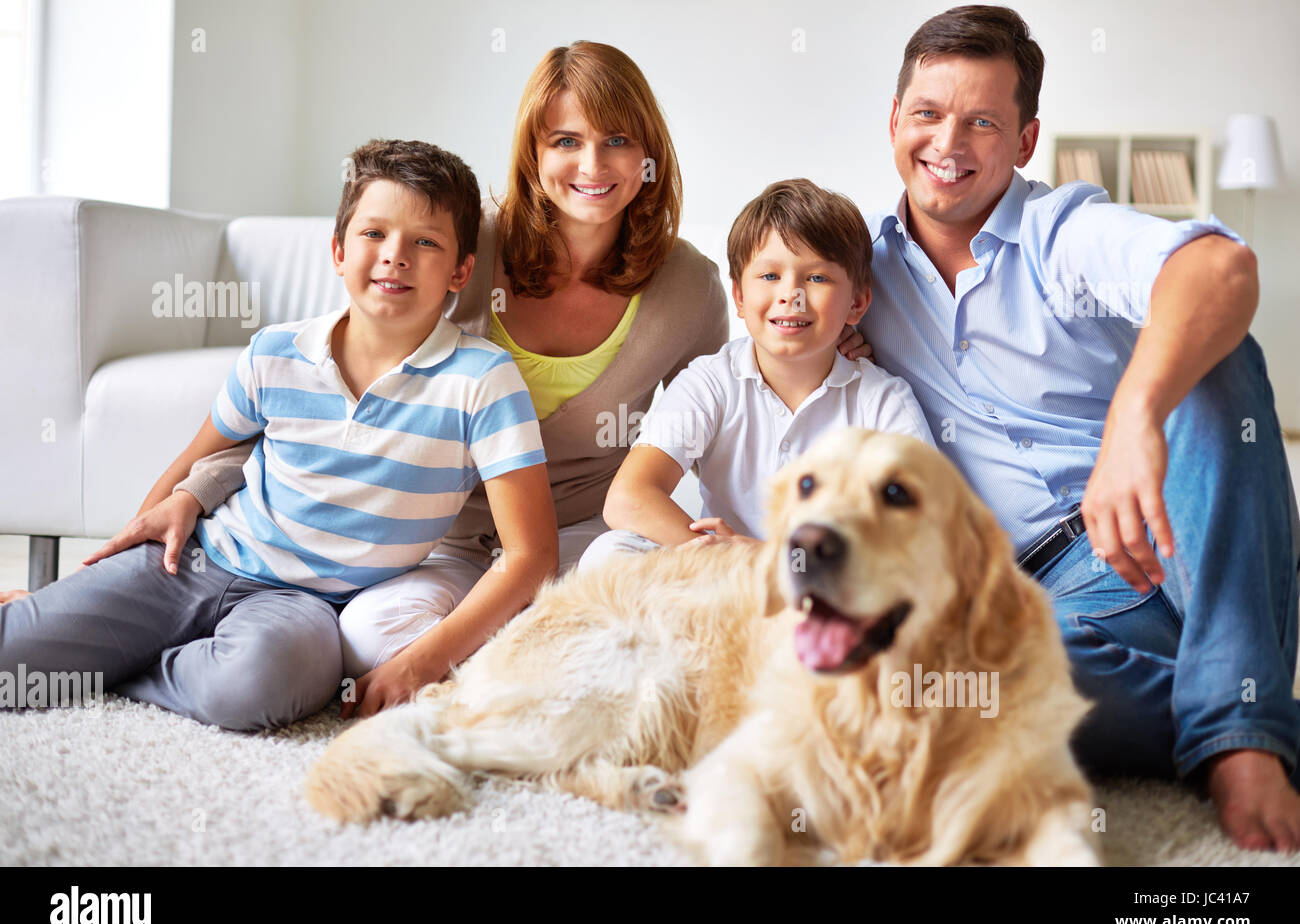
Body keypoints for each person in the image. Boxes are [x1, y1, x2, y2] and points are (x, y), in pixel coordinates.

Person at [75, 41, 873, 719]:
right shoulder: (463, 248)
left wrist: (838, 345)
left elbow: (730, 397)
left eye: (616, 141)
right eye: (564, 140)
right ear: (533, 152)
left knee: (620, 628)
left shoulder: (690, 288)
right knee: (368, 640)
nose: (590, 166)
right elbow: (327, 386)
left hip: (579, 536)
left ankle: (527, 675)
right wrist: (197, 488)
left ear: (648, 157)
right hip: (445, 537)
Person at [860, 4, 1300, 851]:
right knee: (952, 677)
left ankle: (1242, 742)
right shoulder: (862, 274)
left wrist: (1134, 420)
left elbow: (1222, 266)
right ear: (895, 121)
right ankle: (1239, 704)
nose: (948, 141)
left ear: (1024, 141)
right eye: (928, 113)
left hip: (1169, 533)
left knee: (1218, 355)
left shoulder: (1062, 230)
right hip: (1044, 605)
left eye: (982, 121)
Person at [0, 139, 556, 731]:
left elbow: (531, 555)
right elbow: (196, 460)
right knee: (15, 663)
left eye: (425, 242)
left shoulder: (483, 380)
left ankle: (128, 669)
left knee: (260, 685)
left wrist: (421, 663)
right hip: (194, 560)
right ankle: (66, 628)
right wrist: (134, 544)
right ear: (339, 251)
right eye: (374, 234)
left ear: (460, 271)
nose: (395, 256)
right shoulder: (275, 351)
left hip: (303, 607)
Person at [582, 178, 932, 567]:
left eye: (817, 278)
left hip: (828, 585)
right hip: (721, 580)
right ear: (740, 298)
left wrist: (771, 562)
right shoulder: (712, 381)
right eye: (769, 276)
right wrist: (728, 563)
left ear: (857, 302)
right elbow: (629, 497)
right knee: (609, 553)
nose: (791, 295)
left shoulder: (883, 400)